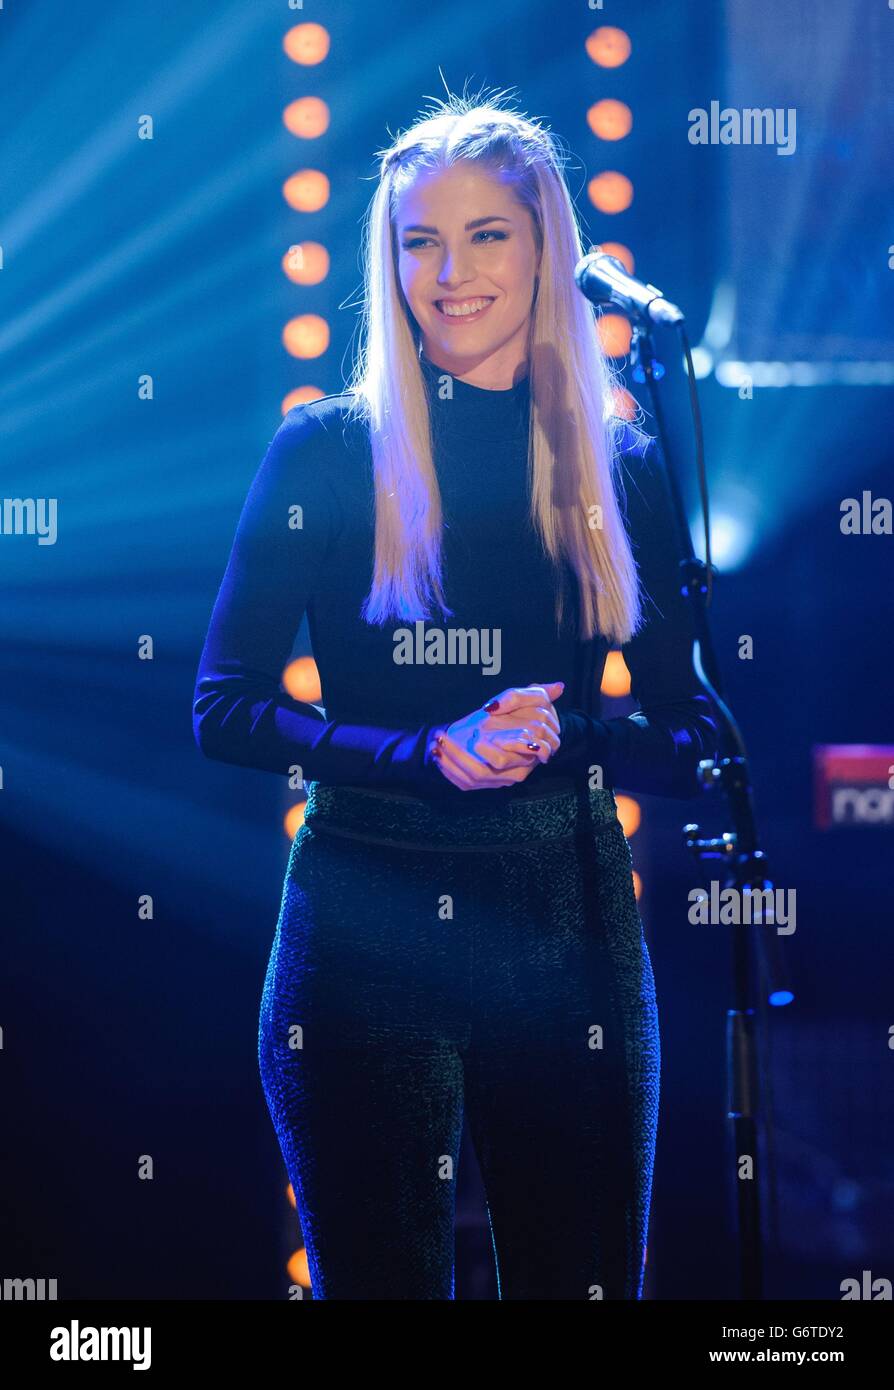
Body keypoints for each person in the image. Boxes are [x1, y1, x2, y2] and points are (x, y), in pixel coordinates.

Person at [192, 94, 718, 1300]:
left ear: (549, 250)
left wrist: (561, 739)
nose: (451, 271)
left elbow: (695, 736)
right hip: (364, 911)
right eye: (420, 240)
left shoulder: (618, 462)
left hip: (567, 917)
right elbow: (223, 706)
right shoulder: (327, 449)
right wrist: (426, 751)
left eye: (487, 234)